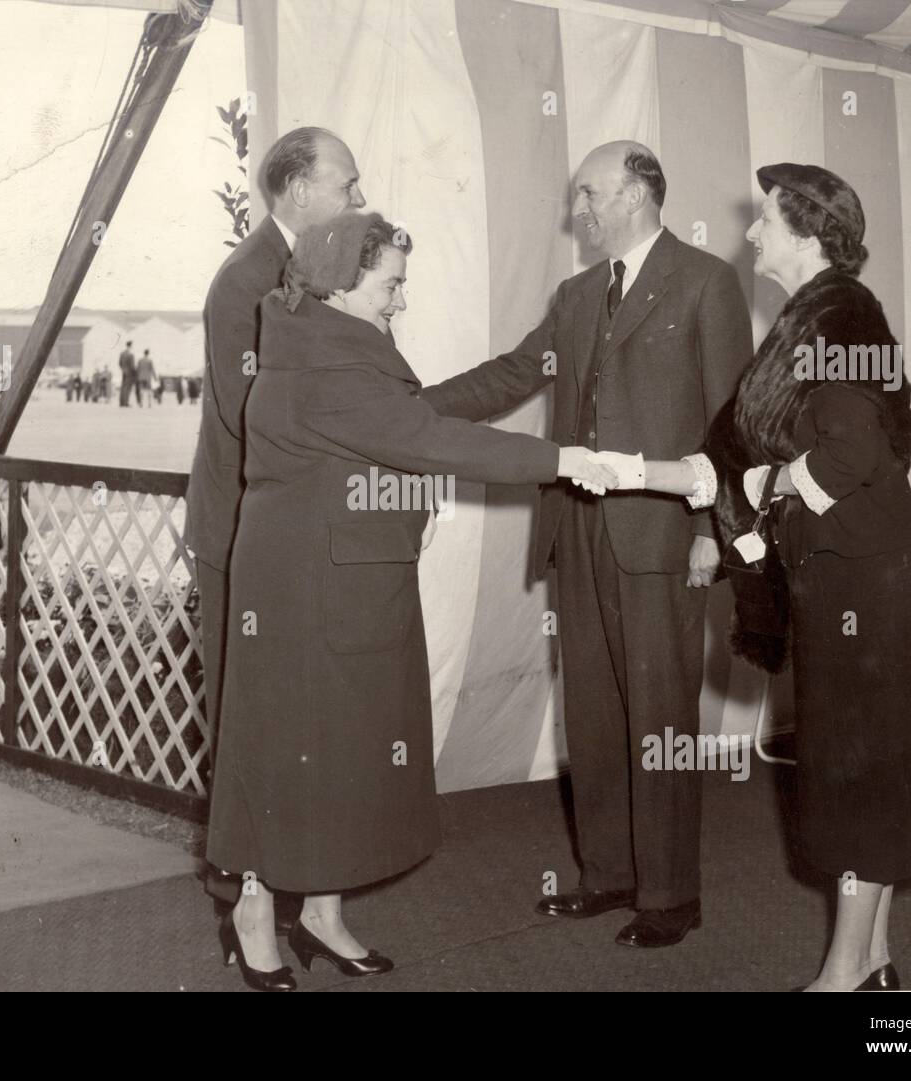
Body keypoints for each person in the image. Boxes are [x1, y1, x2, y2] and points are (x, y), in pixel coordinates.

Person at [206, 212, 617, 991]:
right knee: (286, 750)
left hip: (351, 574)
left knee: (345, 750)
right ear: (338, 283)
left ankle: (322, 913)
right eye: (391, 283)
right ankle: (254, 915)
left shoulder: (332, 344)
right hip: (306, 588)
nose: (400, 300)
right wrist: (568, 459)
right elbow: (431, 441)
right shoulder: (324, 365)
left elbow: (413, 425)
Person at [597, 163, 911, 990]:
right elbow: (735, 445)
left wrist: (768, 488)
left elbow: (853, 451)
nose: (750, 233)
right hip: (846, 566)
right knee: (868, 759)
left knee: (857, 764)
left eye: (764, 220)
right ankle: (875, 961)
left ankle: (843, 975)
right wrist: (654, 474)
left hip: (862, 573)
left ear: (808, 232)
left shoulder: (841, 313)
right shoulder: (810, 316)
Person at [422, 142, 753, 947]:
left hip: (664, 538)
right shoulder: (575, 296)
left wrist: (716, 536)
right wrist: (412, 406)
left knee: (661, 717)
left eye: (592, 194)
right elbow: (511, 373)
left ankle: (671, 894)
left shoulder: (707, 281)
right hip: (577, 531)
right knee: (596, 716)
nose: (581, 211)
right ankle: (608, 875)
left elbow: (733, 424)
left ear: (639, 193)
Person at [185, 126, 367, 928]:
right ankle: (242, 906)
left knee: (307, 712)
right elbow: (248, 413)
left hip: (300, 528)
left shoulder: (327, 269)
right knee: (250, 719)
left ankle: (301, 888)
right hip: (244, 533)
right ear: (299, 190)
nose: (359, 201)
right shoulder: (243, 281)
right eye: (347, 185)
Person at [118, 339, 136, 406]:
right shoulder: (131, 355)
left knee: (123, 387)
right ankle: (126, 403)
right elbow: (132, 366)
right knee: (127, 388)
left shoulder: (122, 353)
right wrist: (135, 374)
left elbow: (119, 363)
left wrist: (123, 369)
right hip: (129, 373)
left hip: (123, 372)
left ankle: (121, 402)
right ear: (130, 346)